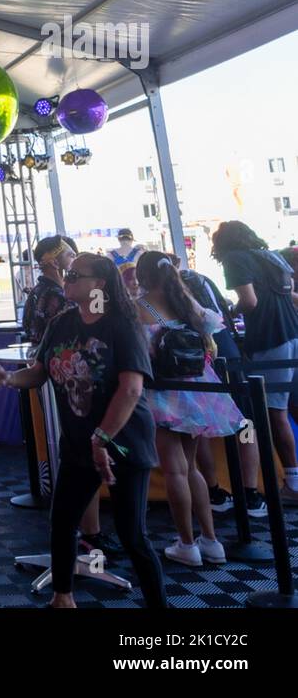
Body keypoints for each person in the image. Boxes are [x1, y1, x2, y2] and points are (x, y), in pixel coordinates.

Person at [0, 253, 166, 608]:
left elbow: (131, 389)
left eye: (74, 274)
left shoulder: (121, 324)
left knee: (132, 536)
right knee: (62, 520)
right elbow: (39, 371)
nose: (65, 278)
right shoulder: (62, 322)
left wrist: (102, 437)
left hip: (123, 443)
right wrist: (9, 379)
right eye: (66, 273)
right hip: (79, 442)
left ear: (99, 284)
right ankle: (63, 598)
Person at [134, 251, 245, 567]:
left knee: (174, 470)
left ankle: (186, 544)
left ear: (141, 276)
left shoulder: (138, 309)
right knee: (192, 467)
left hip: (161, 395)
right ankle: (211, 541)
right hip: (197, 393)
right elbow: (213, 327)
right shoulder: (186, 303)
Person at [19, 234, 120, 559]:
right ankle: (90, 535)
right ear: (52, 260)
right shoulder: (55, 299)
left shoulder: (41, 292)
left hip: (61, 380)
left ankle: (87, 535)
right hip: (68, 383)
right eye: (68, 259)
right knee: (82, 464)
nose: (71, 263)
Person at [174, 254, 266, 517]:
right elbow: (222, 316)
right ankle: (249, 493)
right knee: (245, 423)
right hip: (225, 354)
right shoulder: (201, 281)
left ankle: (214, 490)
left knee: (199, 428)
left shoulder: (165, 295)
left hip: (198, 365)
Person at [212, 221, 298, 503]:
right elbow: (290, 295)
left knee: (274, 411)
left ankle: (293, 483)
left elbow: (249, 301)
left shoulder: (235, 259)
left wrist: (228, 312)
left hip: (270, 338)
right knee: (292, 406)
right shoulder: (272, 256)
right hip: (293, 332)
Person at [109, 228, 145, 299]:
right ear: (131, 239)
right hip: (138, 290)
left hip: (119, 291)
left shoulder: (110, 256)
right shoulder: (140, 254)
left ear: (119, 240)